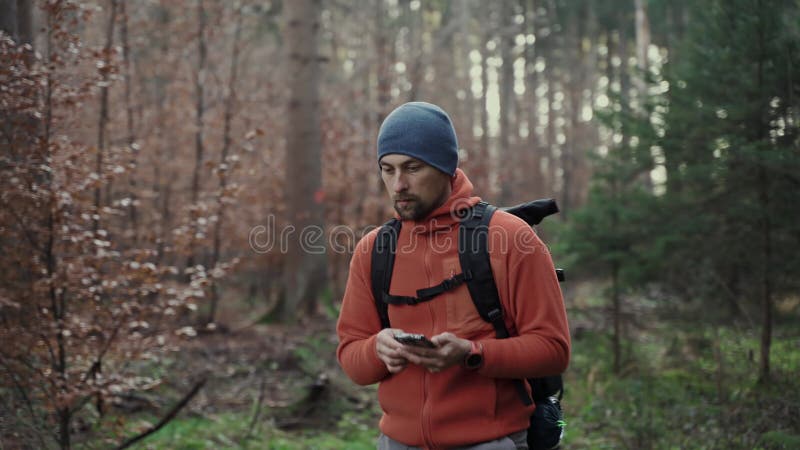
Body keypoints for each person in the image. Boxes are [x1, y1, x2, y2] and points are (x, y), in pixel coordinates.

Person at [336, 101, 570, 450]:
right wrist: (377, 349)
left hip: (492, 441)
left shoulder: (510, 238)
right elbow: (353, 361)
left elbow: (553, 350)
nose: (398, 184)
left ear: (445, 167)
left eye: (412, 168)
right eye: (387, 169)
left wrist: (472, 353)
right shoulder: (374, 250)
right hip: (396, 442)